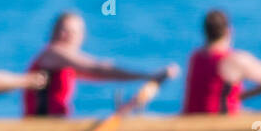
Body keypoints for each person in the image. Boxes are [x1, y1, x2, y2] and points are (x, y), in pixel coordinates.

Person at [23, 11, 176, 117]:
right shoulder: (52, 53)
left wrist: (147, 78)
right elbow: (98, 67)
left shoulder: (63, 66)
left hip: (57, 125)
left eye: (72, 32)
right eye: (62, 30)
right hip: (42, 126)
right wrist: (148, 75)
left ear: (82, 37)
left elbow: (102, 74)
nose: (65, 36)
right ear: (53, 33)